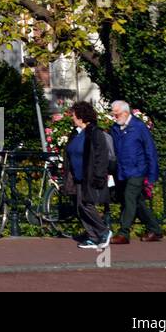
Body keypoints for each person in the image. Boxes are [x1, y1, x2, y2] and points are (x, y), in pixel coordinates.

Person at [109, 100, 163, 243]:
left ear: (126, 113)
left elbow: (150, 150)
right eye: (113, 114)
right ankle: (155, 230)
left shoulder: (139, 127)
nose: (114, 117)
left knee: (129, 197)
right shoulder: (115, 128)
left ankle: (123, 233)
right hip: (123, 170)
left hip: (138, 169)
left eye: (117, 114)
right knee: (137, 201)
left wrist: (152, 173)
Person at [63, 101, 111, 249]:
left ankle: (103, 231)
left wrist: (99, 176)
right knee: (80, 207)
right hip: (77, 176)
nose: (72, 118)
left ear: (81, 116)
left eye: (74, 115)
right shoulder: (76, 133)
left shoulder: (94, 132)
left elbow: (101, 155)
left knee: (86, 205)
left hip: (89, 175)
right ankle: (93, 236)